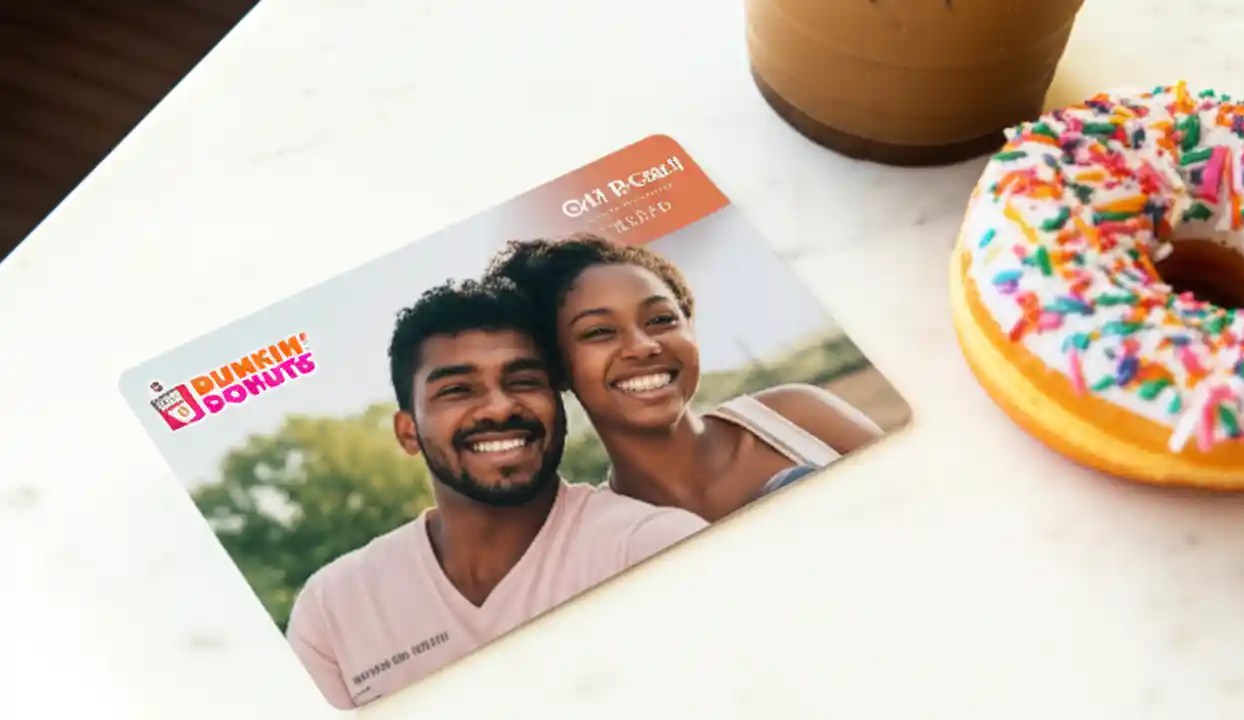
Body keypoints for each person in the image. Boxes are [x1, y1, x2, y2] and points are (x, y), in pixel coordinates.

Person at [285, 277, 708, 710]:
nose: (500, 407)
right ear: (408, 432)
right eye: (456, 390)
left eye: (524, 381)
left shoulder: (654, 547)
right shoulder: (332, 608)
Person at [486, 232, 884, 522]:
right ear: (556, 367)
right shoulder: (604, 536)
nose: (643, 346)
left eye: (661, 319)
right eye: (599, 332)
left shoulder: (797, 418)